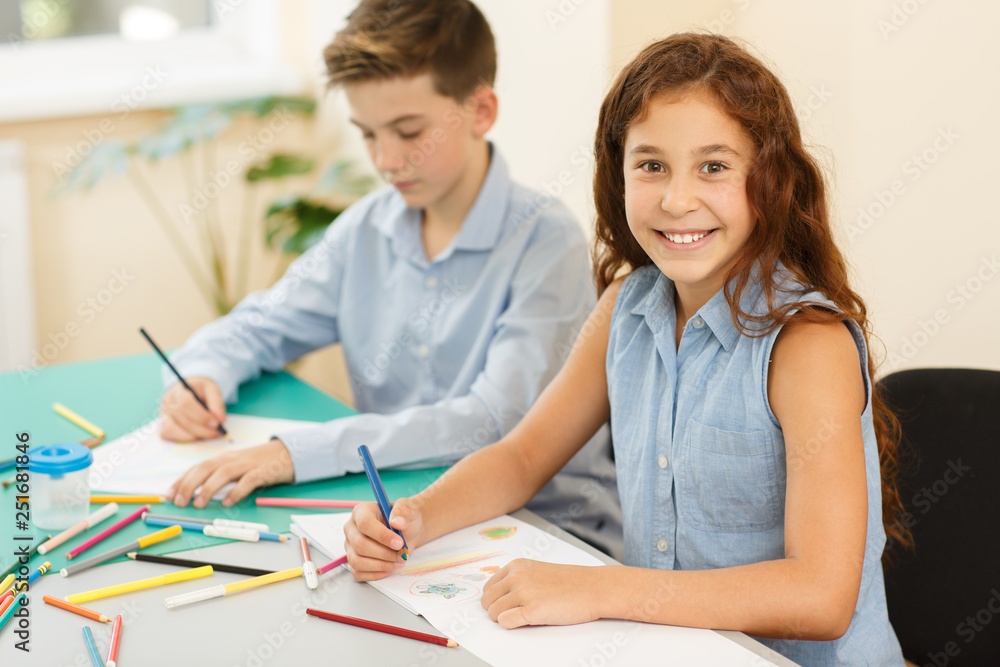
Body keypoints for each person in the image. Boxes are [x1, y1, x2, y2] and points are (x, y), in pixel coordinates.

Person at [344, 33, 910, 666]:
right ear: (618, 173)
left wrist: (602, 588)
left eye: (714, 166)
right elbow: (524, 455)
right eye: (651, 164)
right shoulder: (626, 306)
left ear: (769, 179)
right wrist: (416, 518)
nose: (676, 199)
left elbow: (820, 597)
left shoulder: (807, 345)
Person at [161, 0, 622, 558]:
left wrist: (295, 453)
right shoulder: (365, 229)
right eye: (368, 135)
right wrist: (203, 374)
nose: (386, 160)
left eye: (408, 132)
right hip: (400, 519)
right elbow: (259, 325)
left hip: (540, 534)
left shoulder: (545, 239)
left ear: (480, 110)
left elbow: (493, 421)